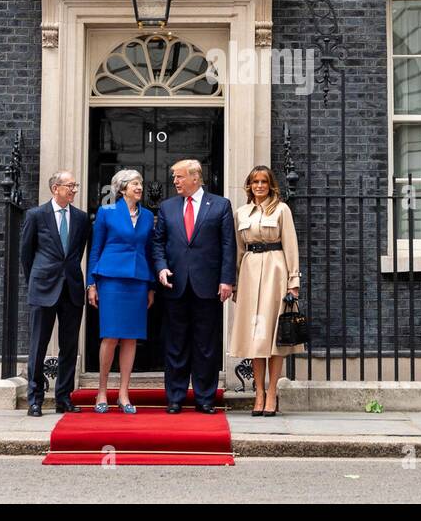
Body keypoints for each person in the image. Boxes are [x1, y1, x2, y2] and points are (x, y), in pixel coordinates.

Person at [151, 159, 235, 414]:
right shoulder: (167, 207)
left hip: (208, 285)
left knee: (206, 345)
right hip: (175, 284)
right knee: (175, 343)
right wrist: (161, 266)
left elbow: (227, 246)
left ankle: (205, 398)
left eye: (178, 177)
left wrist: (227, 280)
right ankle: (175, 397)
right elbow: (158, 242)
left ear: (195, 177)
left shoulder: (220, 205)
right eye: (174, 177)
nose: (174, 181)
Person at [229, 166, 304, 417]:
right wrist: (236, 283)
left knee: (274, 337)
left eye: (263, 181)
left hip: (275, 270)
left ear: (270, 185)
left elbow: (291, 246)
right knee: (255, 337)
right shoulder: (241, 213)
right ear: (249, 186)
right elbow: (238, 250)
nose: (259, 185)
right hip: (250, 272)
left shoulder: (282, 210)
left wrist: (293, 283)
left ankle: (272, 392)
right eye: (254, 182)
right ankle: (258, 393)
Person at [21, 170, 91, 416]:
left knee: (69, 346)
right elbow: (26, 254)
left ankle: (64, 397)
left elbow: (79, 253)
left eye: (75, 186)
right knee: (38, 345)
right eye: (69, 186)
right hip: (43, 287)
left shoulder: (82, 219)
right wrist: (35, 279)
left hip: (71, 288)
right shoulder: (36, 215)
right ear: (55, 188)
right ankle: (35, 399)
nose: (73, 190)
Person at [86, 169, 156, 414]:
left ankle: (124, 393)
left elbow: (149, 251)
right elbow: (95, 249)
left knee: (130, 337)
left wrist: (150, 286)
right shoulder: (107, 213)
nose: (139, 187)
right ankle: (102, 390)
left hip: (138, 280)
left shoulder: (148, 216)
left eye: (140, 183)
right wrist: (91, 284)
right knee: (111, 335)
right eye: (135, 183)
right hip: (111, 279)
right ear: (122, 188)